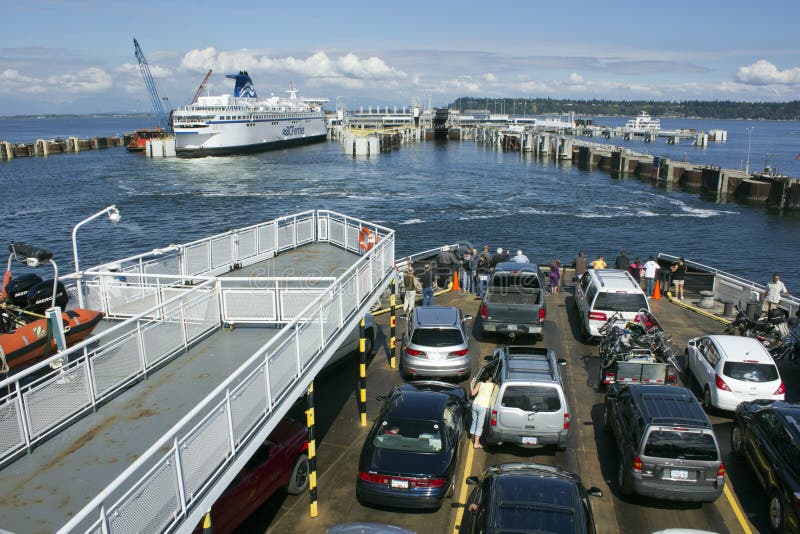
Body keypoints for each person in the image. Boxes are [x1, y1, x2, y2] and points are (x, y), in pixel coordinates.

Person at [470, 374, 495, 449]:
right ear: (490, 378)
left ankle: (473, 439)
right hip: (483, 406)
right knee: (480, 424)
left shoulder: (479, 383)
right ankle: (476, 443)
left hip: (475, 404)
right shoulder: (493, 385)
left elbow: (473, 393)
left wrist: (471, 385)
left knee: (474, 421)